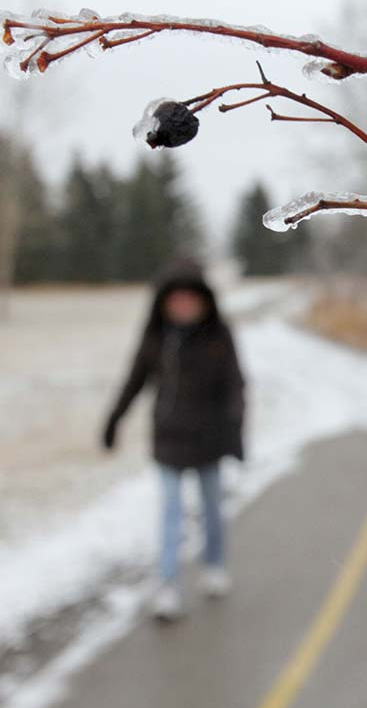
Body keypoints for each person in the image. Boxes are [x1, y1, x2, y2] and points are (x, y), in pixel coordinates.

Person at [102, 261, 245, 621]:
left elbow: (235, 385)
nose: (183, 306)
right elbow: (134, 381)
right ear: (164, 302)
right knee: (171, 514)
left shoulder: (219, 335)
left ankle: (214, 565)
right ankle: (168, 586)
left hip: (209, 440)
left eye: (189, 299)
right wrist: (114, 420)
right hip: (169, 440)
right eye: (176, 299)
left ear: (203, 301)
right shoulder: (157, 338)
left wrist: (235, 429)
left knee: (211, 509)